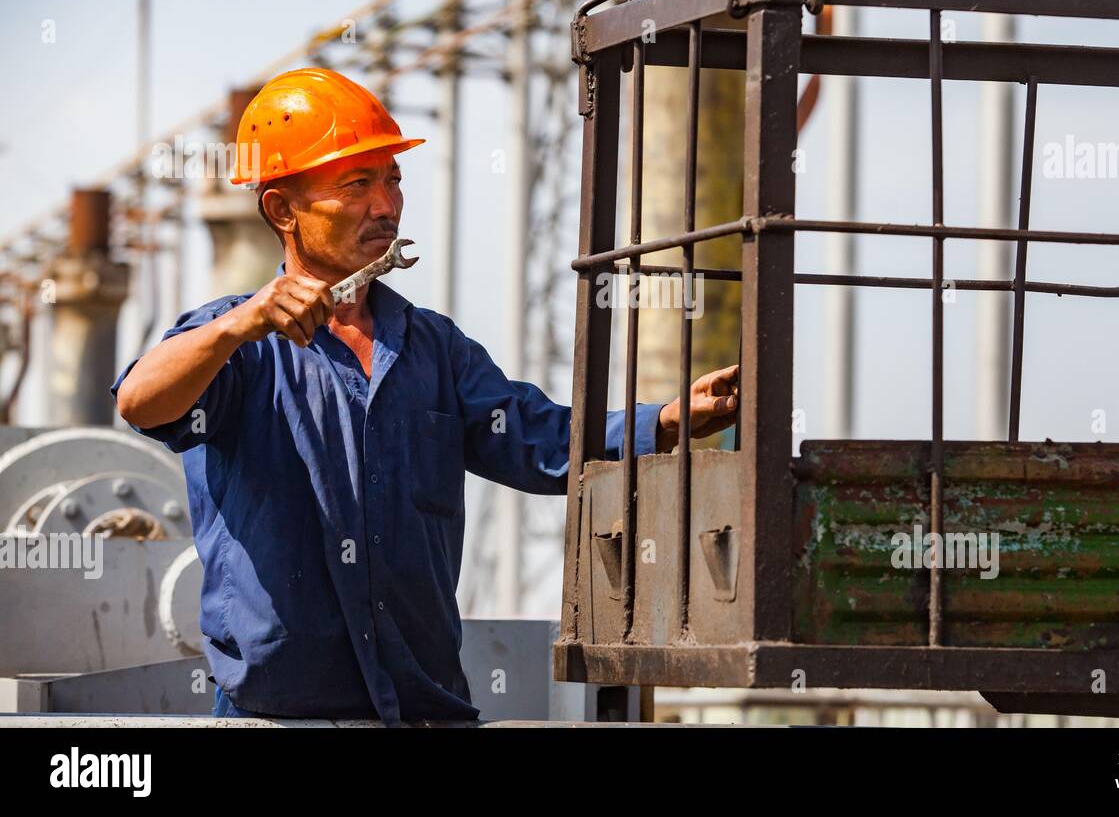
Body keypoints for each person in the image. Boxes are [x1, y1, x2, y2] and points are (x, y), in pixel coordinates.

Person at [112, 68, 740, 724]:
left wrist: (667, 421)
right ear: (282, 210)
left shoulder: (431, 349)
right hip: (276, 717)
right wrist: (240, 325)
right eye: (357, 184)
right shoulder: (237, 346)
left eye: (392, 180)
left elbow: (542, 441)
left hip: (422, 709)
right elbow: (141, 401)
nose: (386, 204)